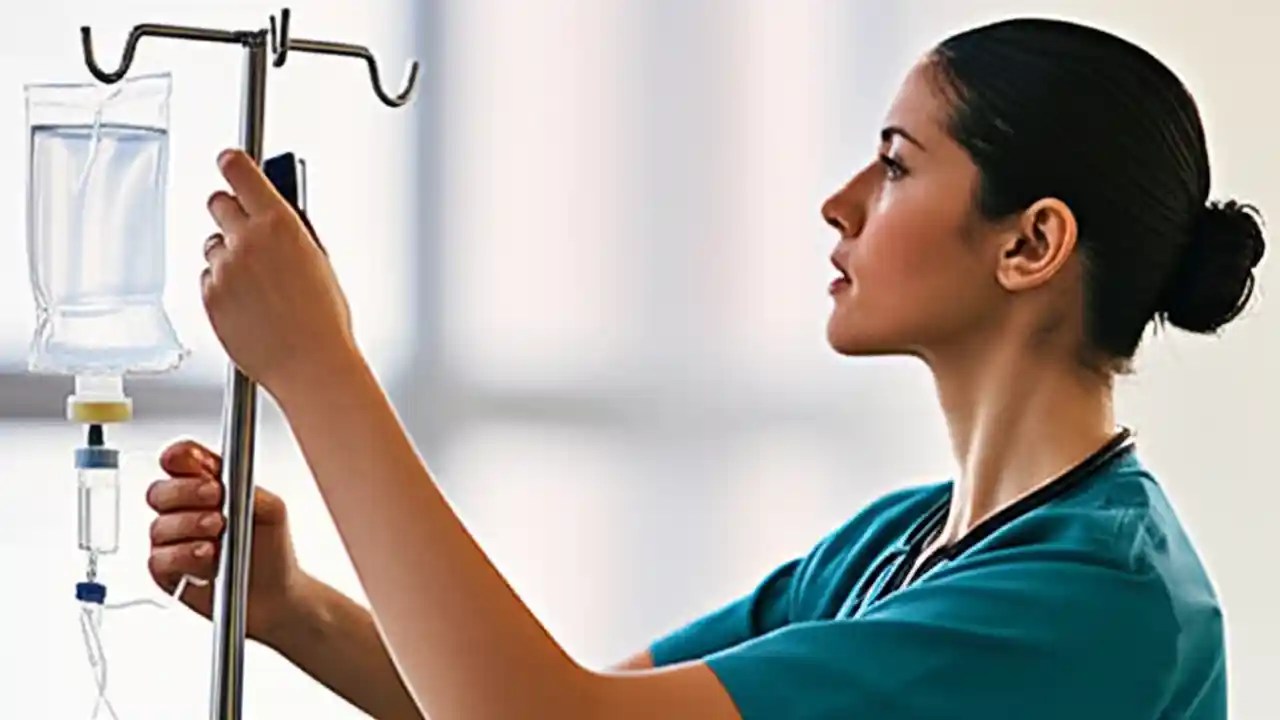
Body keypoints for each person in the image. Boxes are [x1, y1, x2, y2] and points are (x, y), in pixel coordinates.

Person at [144, 17, 1261, 720]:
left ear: (1029, 245)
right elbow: (554, 699)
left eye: (894, 164)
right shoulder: (900, 545)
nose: (838, 204)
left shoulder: (1088, 607)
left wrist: (319, 366)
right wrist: (294, 611)